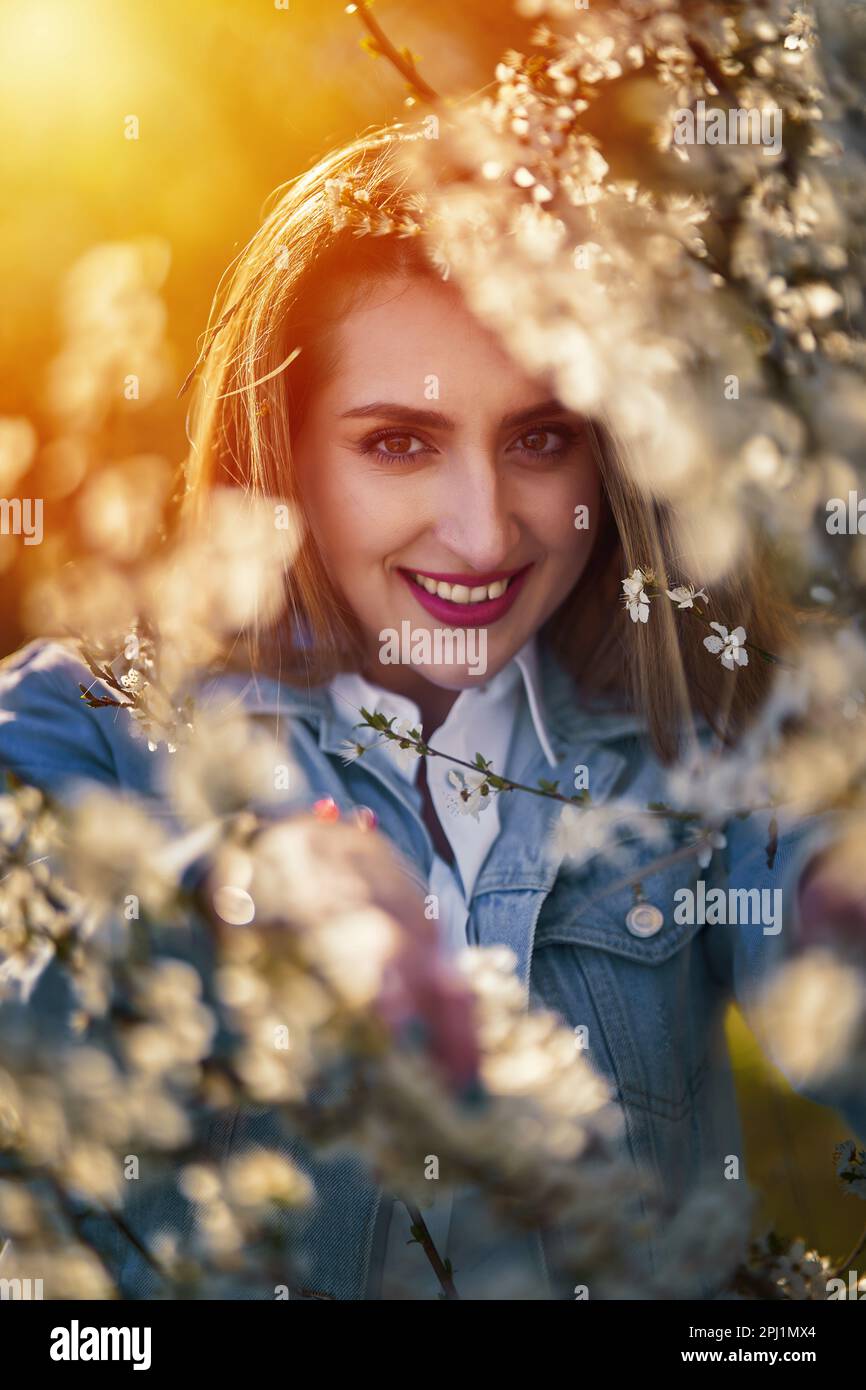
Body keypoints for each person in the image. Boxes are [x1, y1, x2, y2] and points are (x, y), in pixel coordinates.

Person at [1, 123, 864, 1300]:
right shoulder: (89, 715)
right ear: (285, 455)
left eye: (539, 439)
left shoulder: (692, 745)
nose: (481, 531)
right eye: (398, 444)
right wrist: (221, 901)